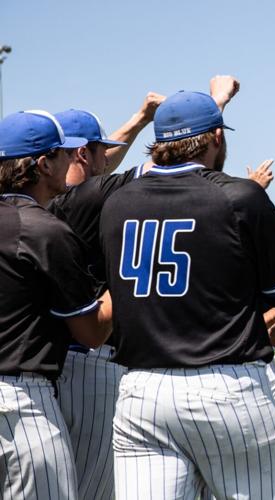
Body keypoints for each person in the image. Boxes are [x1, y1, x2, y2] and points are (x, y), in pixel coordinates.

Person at [100, 87, 275, 499]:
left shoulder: (116, 202)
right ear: (216, 136)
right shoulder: (240, 195)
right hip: (227, 382)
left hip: (142, 388)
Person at [51, 95, 163, 500]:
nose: (108, 159)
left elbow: (98, 168)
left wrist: (139, 119)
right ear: (83, 153)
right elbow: (165, 167)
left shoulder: (37, 200)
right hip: (90, 362)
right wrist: (208, 111)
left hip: (46, 364)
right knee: (92, 491)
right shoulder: (88, 198)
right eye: (101, 151)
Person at [0, 110, 113, 499]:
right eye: (64, 153)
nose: (71, 160)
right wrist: (125, 280)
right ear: (43, 164)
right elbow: (92, 332)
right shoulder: (44, 230)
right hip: (21, 402)